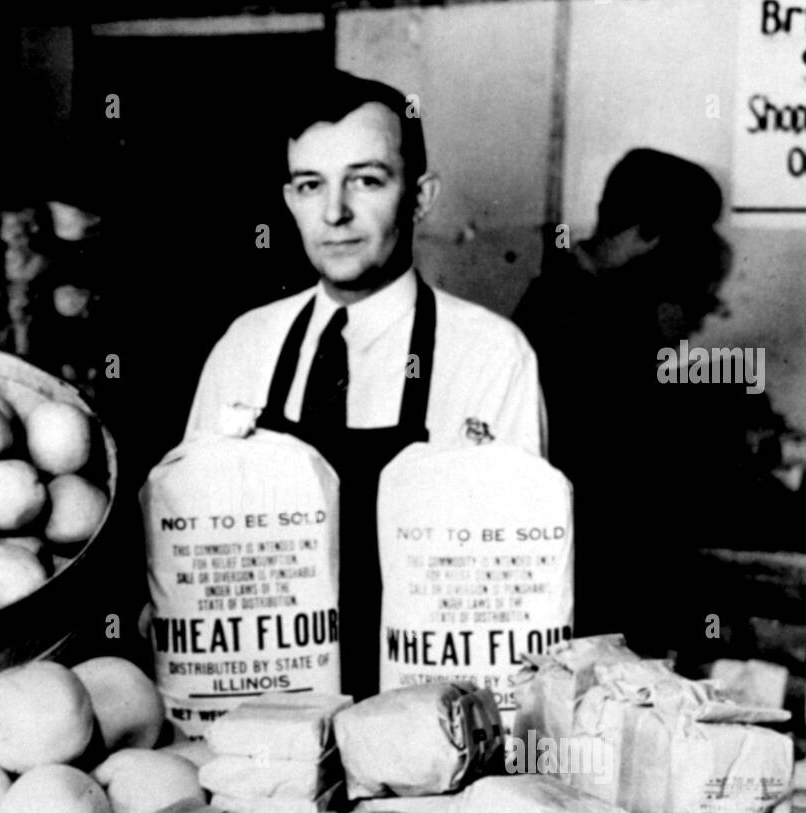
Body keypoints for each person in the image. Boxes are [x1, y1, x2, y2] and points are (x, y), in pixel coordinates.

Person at [184, 70, 545, 697]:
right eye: (310, 185)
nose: (334, 213)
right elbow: (190, 546)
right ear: (289, 199)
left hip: (429, 722)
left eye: (367, 181)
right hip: (274, 723)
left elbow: (518, 588)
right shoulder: (245, 346)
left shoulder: (490, 355)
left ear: (422, 197)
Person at [513, 148, 806, 657]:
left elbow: (660, 405)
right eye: (686, 247)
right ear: (648, 233)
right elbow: (645, 453)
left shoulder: (593, 302)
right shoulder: (573, 320)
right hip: (595, 592)